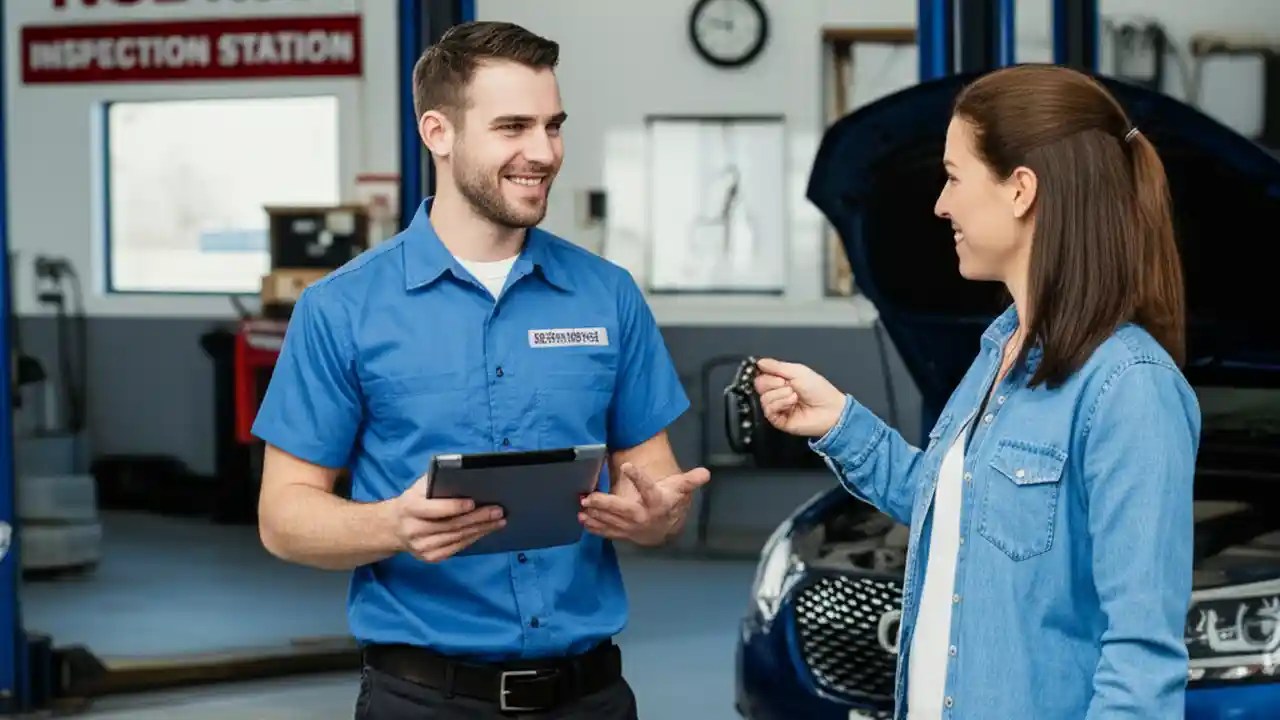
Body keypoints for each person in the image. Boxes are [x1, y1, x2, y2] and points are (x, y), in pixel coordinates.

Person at [252, 20, 709, 720]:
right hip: (423, 701)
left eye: (553, 126)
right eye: (513, 127)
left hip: (591, 698)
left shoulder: (608, 295)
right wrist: (393, 526)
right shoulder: (342, 308)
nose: (543, 152)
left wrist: (654, 518)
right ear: (438, 132)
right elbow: (283, 517)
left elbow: (656, 489)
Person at [754, 64, 1199, 720]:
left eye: (954, 177)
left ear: (1020, 190)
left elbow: (1142, 659)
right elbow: (958, 514)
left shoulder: (1130, 387)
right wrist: (841, 422)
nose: (941, 204)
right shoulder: (1000, 350)